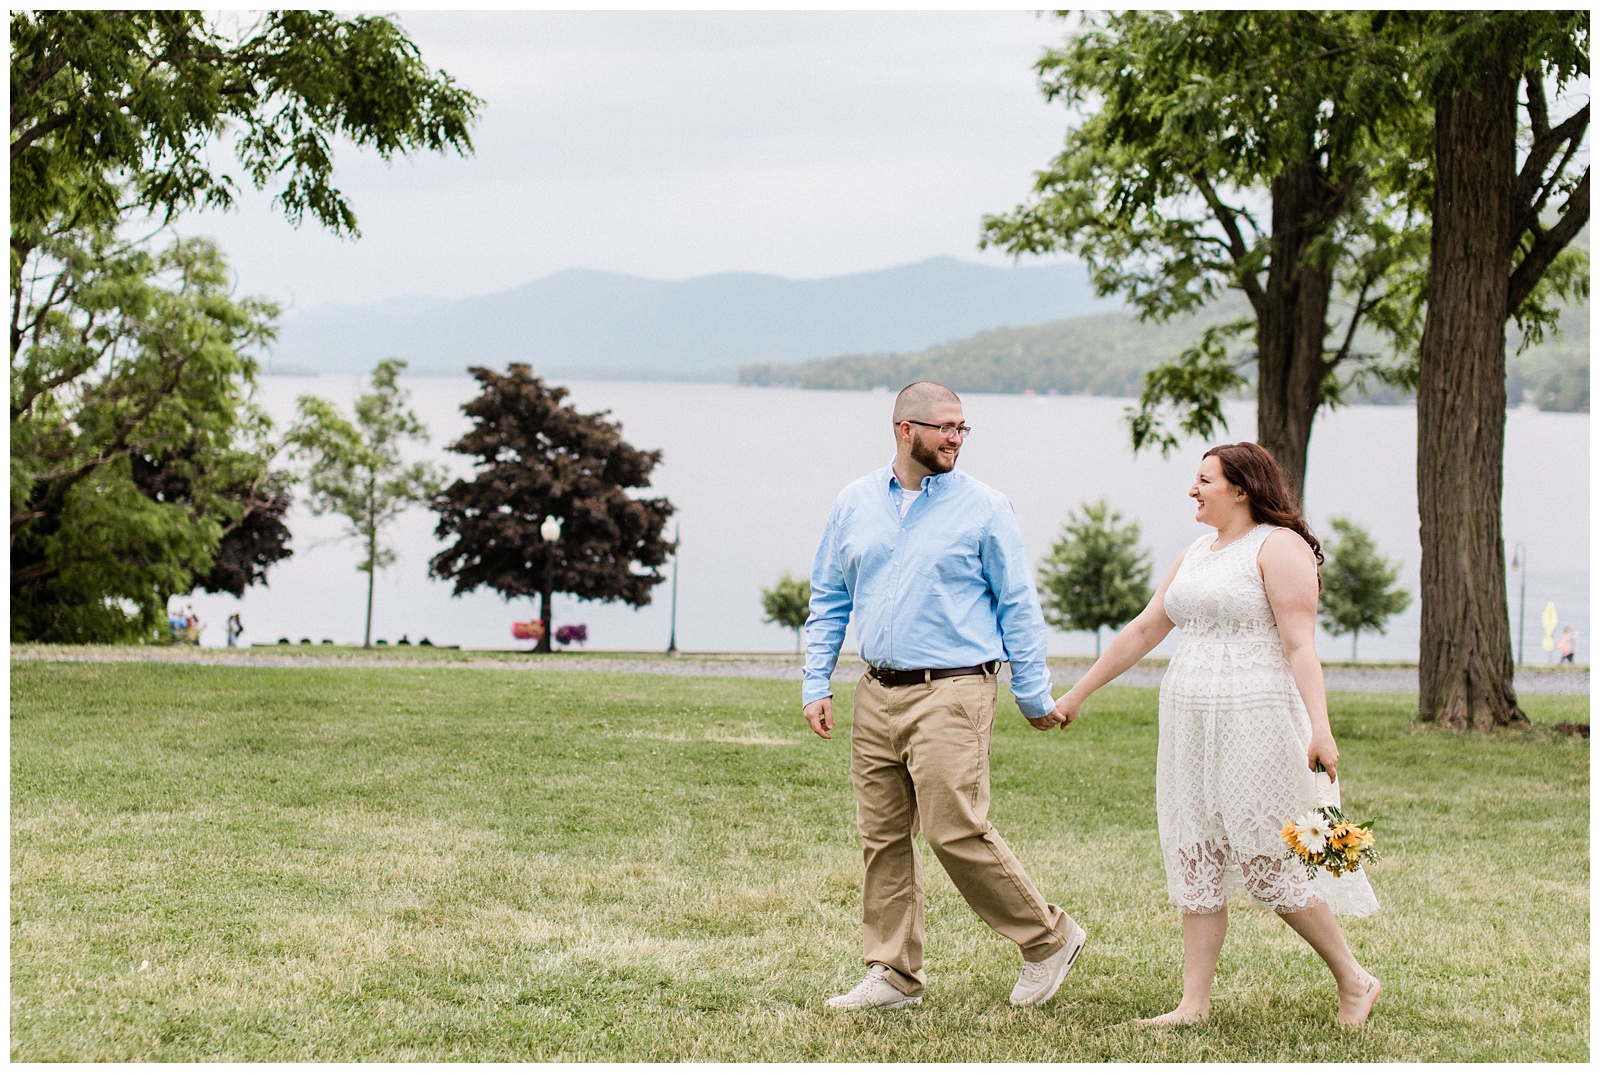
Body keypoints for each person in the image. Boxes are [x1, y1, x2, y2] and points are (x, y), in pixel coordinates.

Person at [1049, 442, 1380, 1027]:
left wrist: (1321, 729)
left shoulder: (1280, 548)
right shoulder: (1199, 551)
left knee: (1270, 858)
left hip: (1258, 718)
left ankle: (1355, 980)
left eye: (1204, 480)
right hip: (1190, 722)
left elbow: (1301, 644)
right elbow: (1148, 626)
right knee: (1196, 854)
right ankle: (1192, 1005)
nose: (1192, 490)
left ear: (1241, 488)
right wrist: (1078, 693)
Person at [802, 381, 1087, 1012]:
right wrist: (815, 682)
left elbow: (1018, 603)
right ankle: (894, 973)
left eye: (962, 428)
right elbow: (829, 598)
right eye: (944, 428)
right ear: (906, 430)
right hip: (876, 690)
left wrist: (1034, 694)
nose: (956, 438)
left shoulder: (986, 507)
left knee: (954, 828)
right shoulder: (854, 503)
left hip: (953, 690)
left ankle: (1049, 938)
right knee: (881, 836)